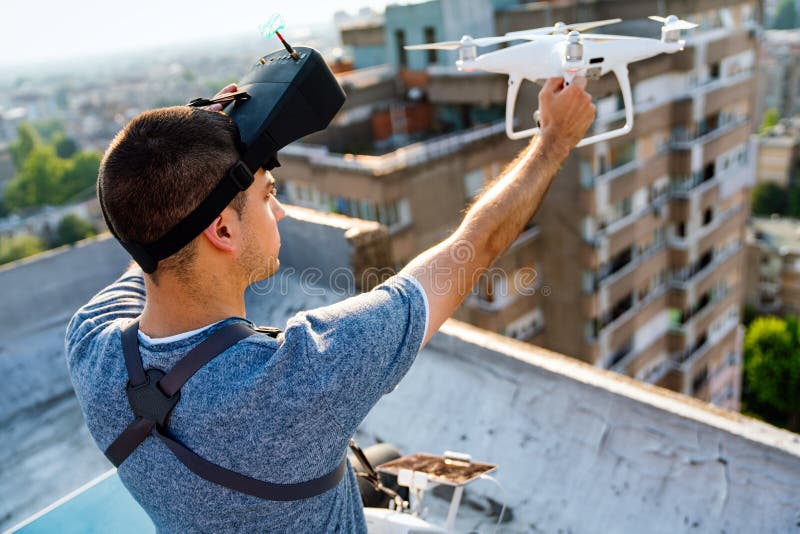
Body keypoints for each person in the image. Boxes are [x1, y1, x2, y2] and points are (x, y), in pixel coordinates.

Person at [66, 76, 595, 532]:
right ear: (222, 230)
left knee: (382, 462)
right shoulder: (300, 379)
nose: (281, 212)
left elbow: (153, 228)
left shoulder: (91, 348)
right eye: (269, 194)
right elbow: (475, 246)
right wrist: (554, 140)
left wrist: (201, 143)